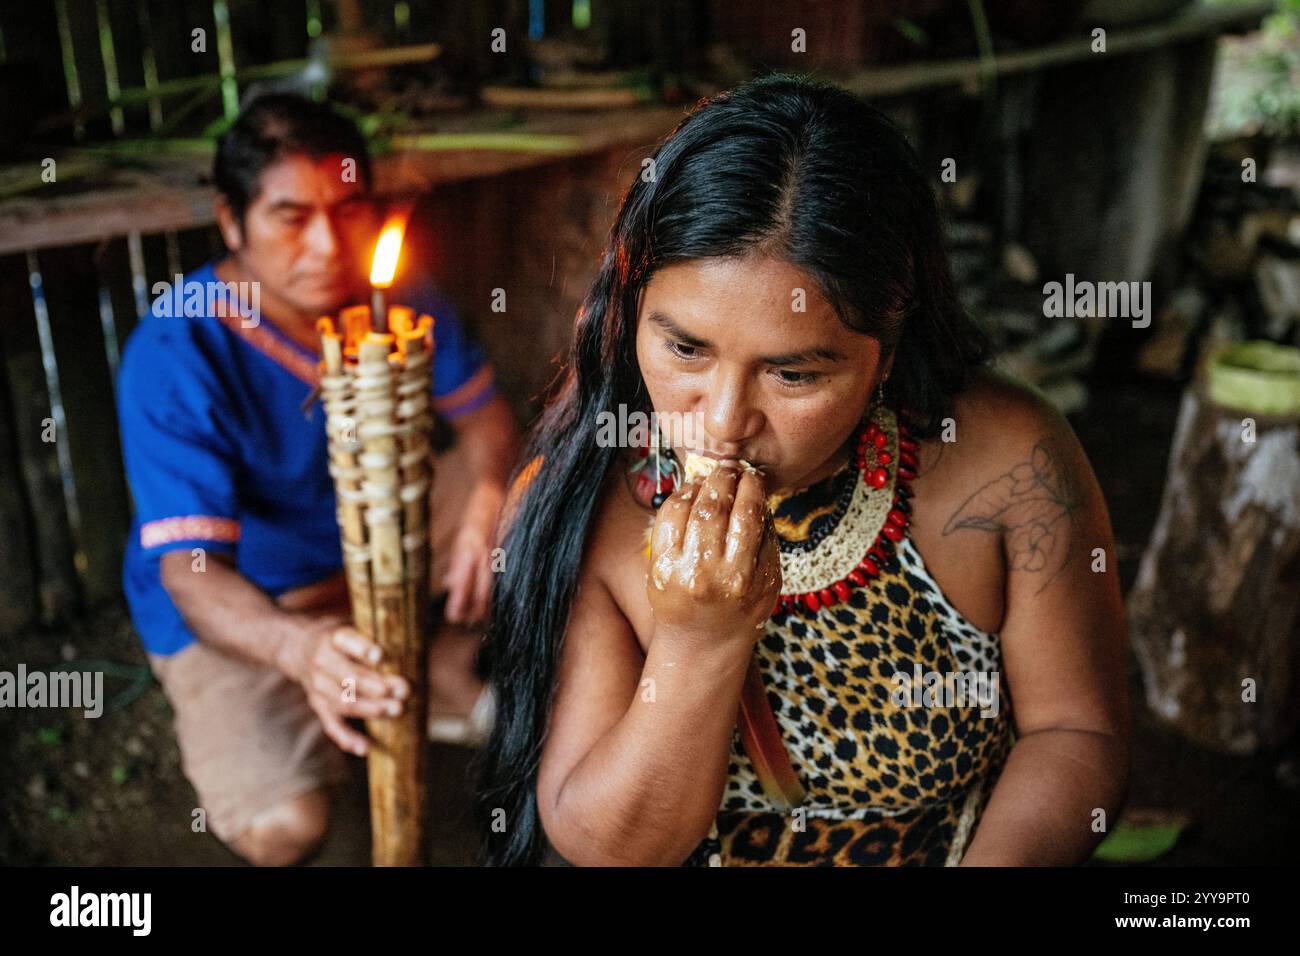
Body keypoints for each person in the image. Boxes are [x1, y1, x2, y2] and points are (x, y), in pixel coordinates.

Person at [475, 74, 1130, 866]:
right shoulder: (590, 502)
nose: (720, 421)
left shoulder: (1006, 460)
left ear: (885, 355)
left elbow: (1075, 733)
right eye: (684, 348)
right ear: (629, 307)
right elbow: (606, 846)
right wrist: (699, 643)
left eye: (793, 375)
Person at [117, 93, 518, 866]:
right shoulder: (175, 349)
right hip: (254, 599)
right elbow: (193, 577)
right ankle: (361, 672)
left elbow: (487, 426)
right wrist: (300, 650)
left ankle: (423, 664)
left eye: (347, 209)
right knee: (283, 827)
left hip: (374, 536)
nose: (328, 245)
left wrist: (485, 505)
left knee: (526, 490)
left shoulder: (392, 297)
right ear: (230, 221)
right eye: (291, 217)